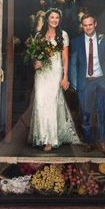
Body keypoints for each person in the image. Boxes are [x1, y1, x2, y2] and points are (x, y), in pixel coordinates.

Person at [29, 8, 81, 152]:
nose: (54, 20)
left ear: (59, 20)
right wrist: (36, 62)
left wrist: (65, 77)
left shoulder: (63, 35)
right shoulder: (40, 35)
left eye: (57, 17)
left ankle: (50, 140)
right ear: (47, 19)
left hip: (55, 71)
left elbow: (65, 58)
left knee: (51, 103)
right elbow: (35, 54)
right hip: (41, 73)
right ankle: (42, 136)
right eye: (52, 17)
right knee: (40, 101)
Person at [69, 13, 105, 152]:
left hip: (101, 80)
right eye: (85, 25)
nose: (88, 27)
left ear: (95, 24)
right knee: (85, 113)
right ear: (82, 26)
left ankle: (101, 142)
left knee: (101, 111)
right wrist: (74, 84)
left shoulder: (104, 39)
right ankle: (88, 142)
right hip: (85, 82)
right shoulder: (76, 42)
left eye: (90, 24)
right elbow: (73, 63)